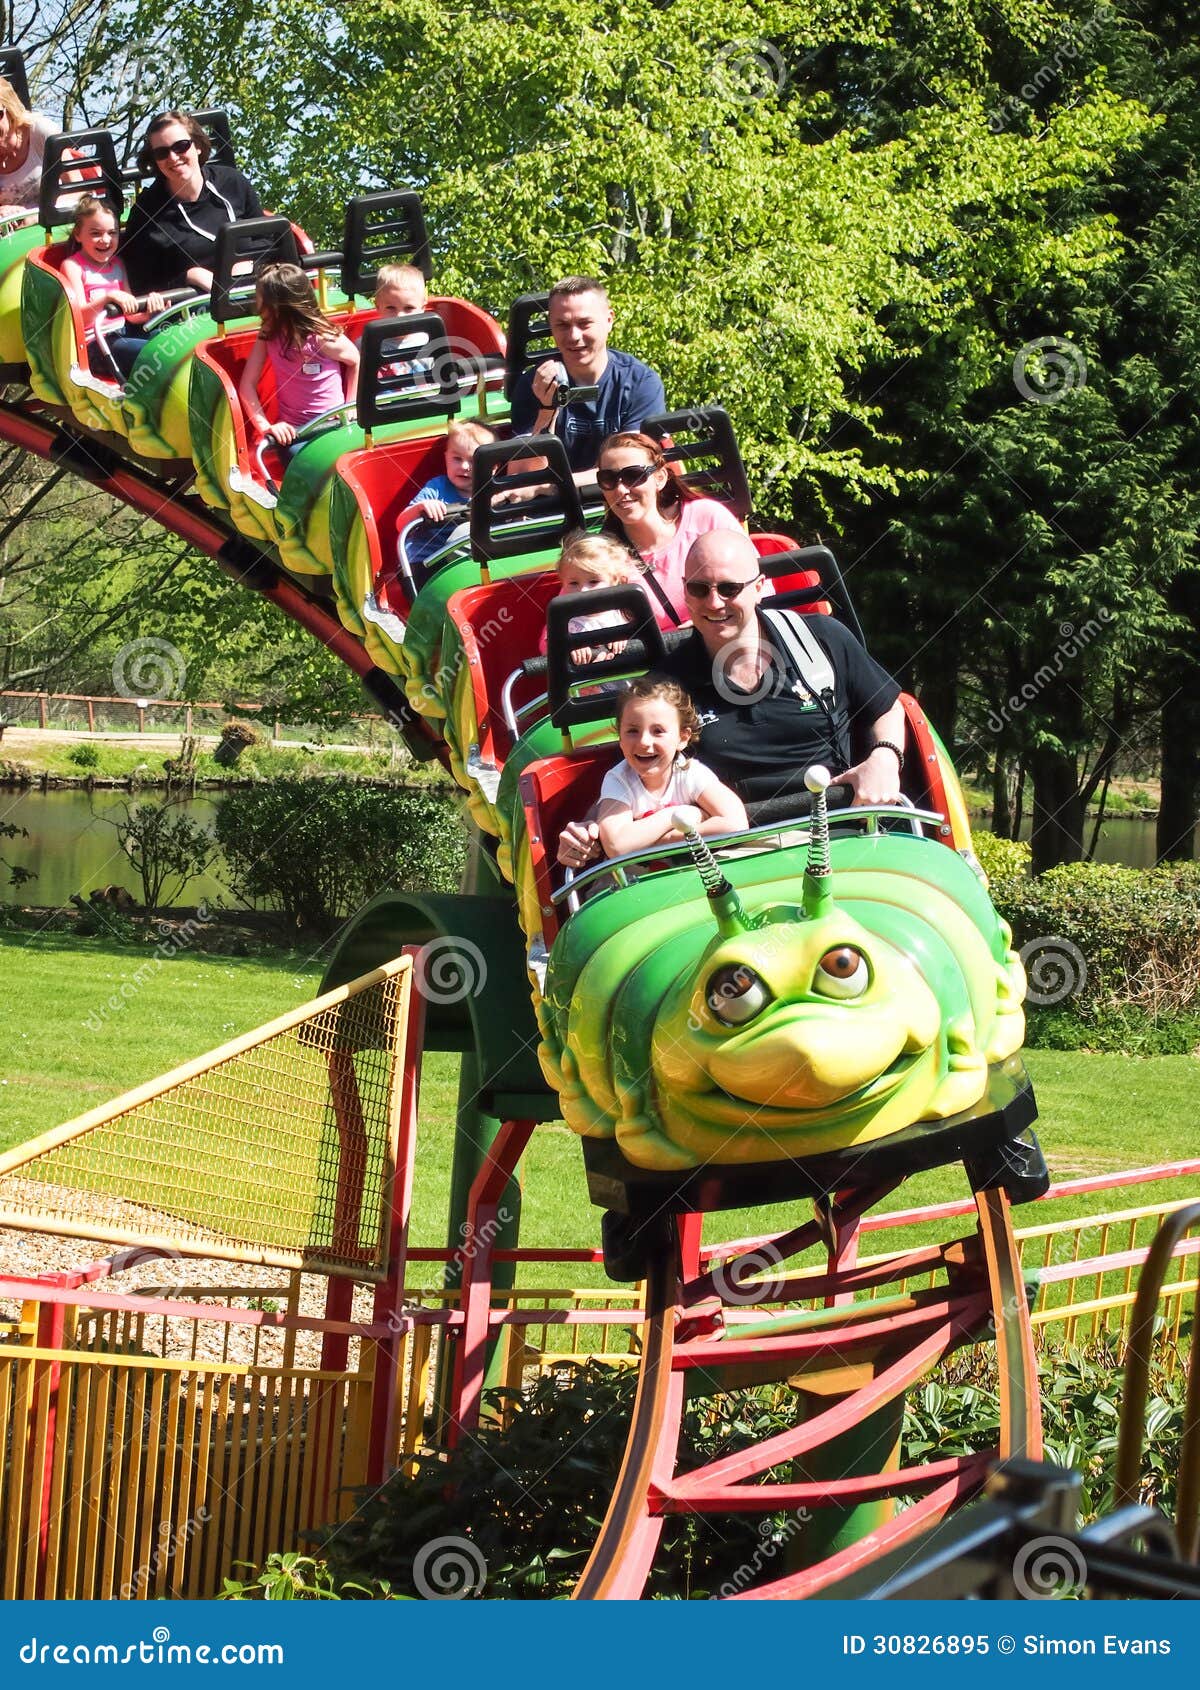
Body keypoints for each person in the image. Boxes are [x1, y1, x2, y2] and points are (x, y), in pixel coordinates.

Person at [558, 530, 907, 869]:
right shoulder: (668, 685)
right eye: (699, 589)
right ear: (686, 593)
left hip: (839, 829)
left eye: (729, 588)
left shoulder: (820, 638)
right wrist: (590, 827)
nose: (714, 602)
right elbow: (637, 766)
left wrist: (886, 757)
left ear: (758, 587)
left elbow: (886, 704)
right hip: (731, 853)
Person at [509, 276, 666, 474]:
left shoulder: (640, 383)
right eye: (562, 325)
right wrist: (546, 410)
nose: (574, 336)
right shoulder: (534, 383)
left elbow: (629, 471)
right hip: (550, 502)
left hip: (622, 497)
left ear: (609, 321)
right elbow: (522, 473)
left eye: (584, 323)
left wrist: (556, 487)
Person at [587, 675, 747, 859]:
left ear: (683, 738)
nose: (644, 742)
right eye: (632, 731)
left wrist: (668, 839)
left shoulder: (690, 773)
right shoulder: (619, 779)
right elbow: (617, 845)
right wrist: (675, 815)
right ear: (620, 739)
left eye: (658, 731)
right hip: (636, 878)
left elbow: (736, 823)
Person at [596, 431, 742, 627]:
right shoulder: (601, 555)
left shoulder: (707, 518)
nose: (620, 490)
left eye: (633, 475)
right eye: (608, 478)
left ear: (660, 478)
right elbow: (563, 632)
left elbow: (761, 590)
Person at [121, 111, 262, 296]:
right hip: (194, 310)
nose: (173, 157)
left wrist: (249, 265)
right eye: (162, 153)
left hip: (257, 290)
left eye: (181, 146)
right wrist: (190, 276)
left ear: (197, 146)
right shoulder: (147, 212)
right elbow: (141, 282)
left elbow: (269, 240)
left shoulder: (232, 182)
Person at [238, 262, 358, 455]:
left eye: (259, 300)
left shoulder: (322, 337)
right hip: (294, 431)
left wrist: (351, 406)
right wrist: (266, 426)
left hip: (333, 424)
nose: (256, 305)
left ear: (278, 307)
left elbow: (355, 360)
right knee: (301, 461)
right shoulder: (268, 334)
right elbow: (247, 385)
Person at [60, 194, 166, 380]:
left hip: (124, 332)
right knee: (151, 355)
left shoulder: (118, 264)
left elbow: (131, 315)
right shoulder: (73, 267)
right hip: (96, 344)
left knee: (167, 339)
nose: (105, 240)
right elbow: (79, 318)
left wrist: (150, 311)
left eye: (112, 232)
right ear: (78, 234)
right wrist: (108, 299)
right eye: (95, 233)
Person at [538, 532, 639, 661]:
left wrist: (626, 640)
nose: (583, 590)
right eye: (573, 583)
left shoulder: (624, 614)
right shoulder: (564, 621)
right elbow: (546, 648)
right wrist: (567, 648)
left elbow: (642, 641)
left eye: (594, 582)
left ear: (614, 581)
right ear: (563, 584)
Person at [0, 76, 58, 220]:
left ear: (10, 110)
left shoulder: (40, 133)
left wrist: (30, 216)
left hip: (57, 228)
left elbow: (80, 192)